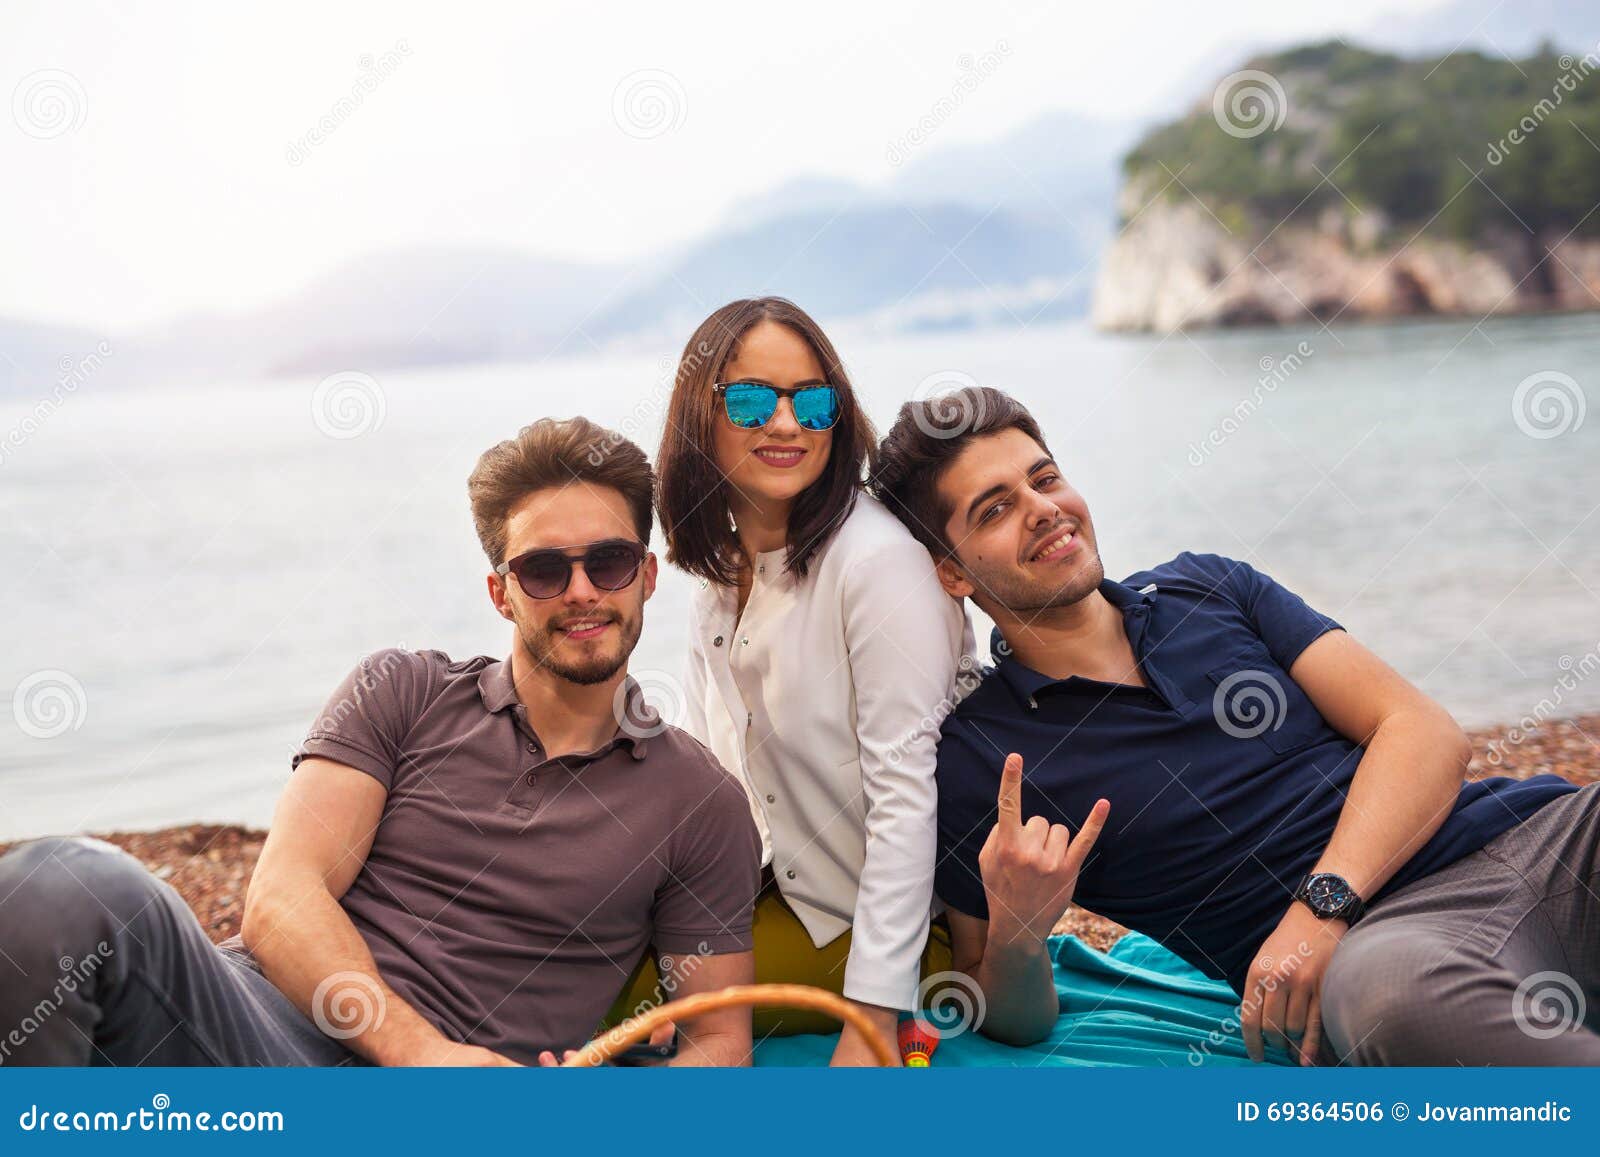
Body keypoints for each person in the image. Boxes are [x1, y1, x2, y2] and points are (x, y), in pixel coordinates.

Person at [0, 417, 761, 1067]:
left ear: (648, 577)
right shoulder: (403, 690)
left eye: (609, 560)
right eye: (542, 570)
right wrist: (424, 1055)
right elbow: (279, 897)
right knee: (64, 886)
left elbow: (719, 1035)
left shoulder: (699, 802)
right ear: (500, 592)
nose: (583, 590)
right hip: (259, 1035)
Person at [871, 384, 1596, 1066]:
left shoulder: (1207, 586)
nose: (1042, 508)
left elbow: (1421, 730)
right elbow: (1008, 1014)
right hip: (1392, 947)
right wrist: (1020, 928)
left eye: (1047, 477)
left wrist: (1322, 905)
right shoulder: (981, 756)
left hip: (1538, 842)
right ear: (952, 574)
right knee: (1389, 1000)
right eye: (994, 509)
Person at [630, 297, 974, 1066]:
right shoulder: (719, 576)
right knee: (583, 947)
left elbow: (905, 794)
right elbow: (708, 780)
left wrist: (871, 1018)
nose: (786, 423)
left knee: (608, 992)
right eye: (752, 399)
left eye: (813, 401)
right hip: (762, 896)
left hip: (882, 927)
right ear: (701, 414)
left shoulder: (877, 563)